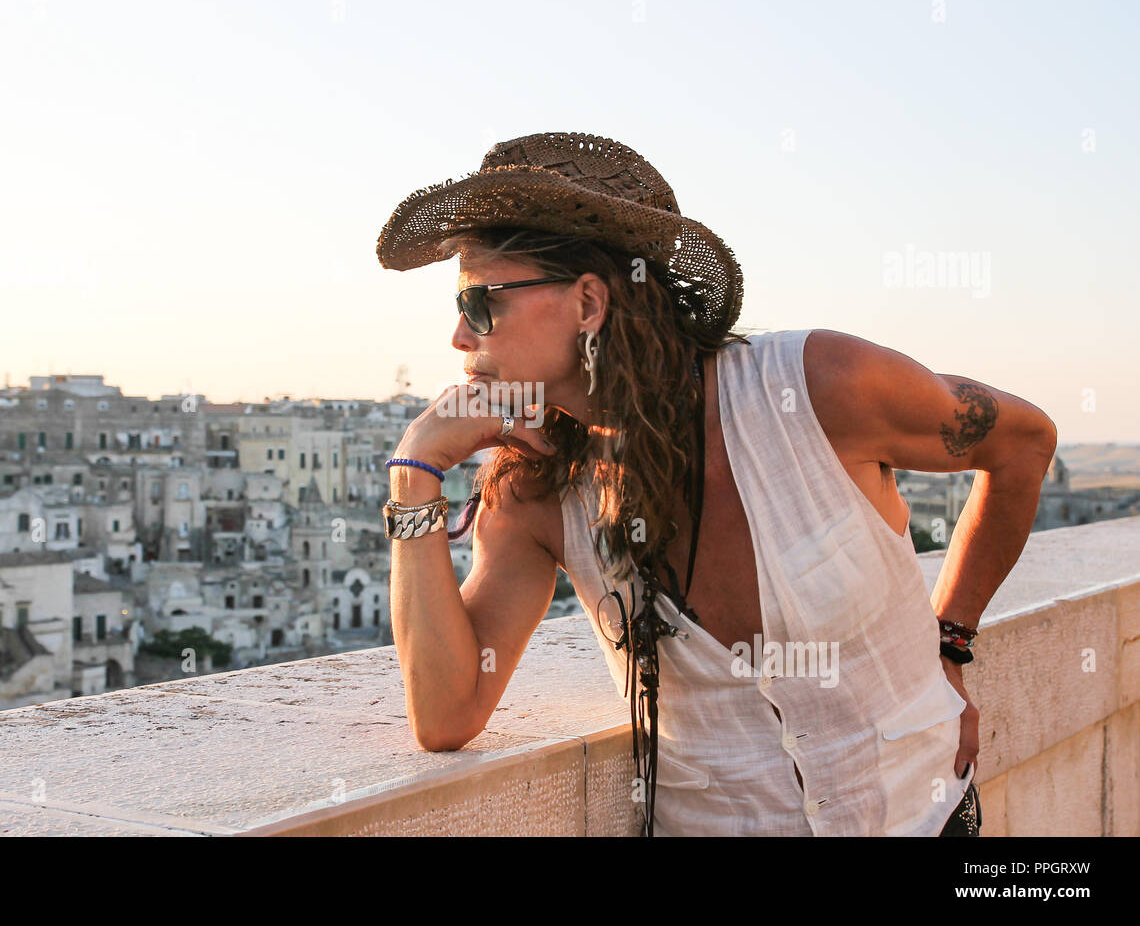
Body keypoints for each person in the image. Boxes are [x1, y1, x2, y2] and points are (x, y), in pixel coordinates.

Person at [374, 131, 1057, 836]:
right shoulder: (535, 491)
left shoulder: (818, 388)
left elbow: (1024, 444)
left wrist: (952, 640)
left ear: (588, 303)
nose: (460, 336)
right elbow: (446, 715)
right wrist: (413, 473)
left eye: (480, 303)